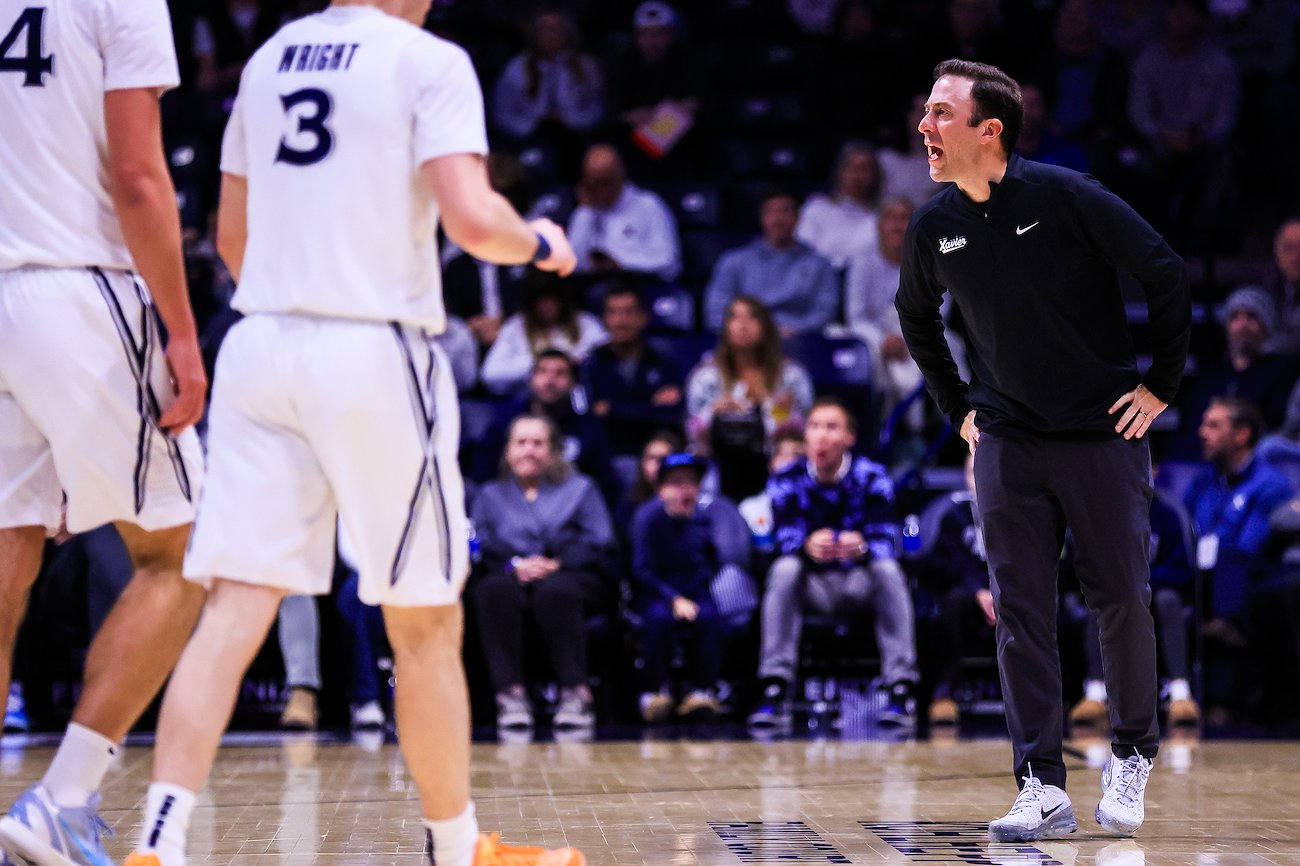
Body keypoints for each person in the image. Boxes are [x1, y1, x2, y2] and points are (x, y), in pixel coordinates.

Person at [118, 3, 585, 866]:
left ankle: (157, 840)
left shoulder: (266, 60)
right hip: (373, 346)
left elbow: (230, 239)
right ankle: (455, 847)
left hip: (261, 344)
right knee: (423, 619)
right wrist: (542, 243)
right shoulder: (427, 61)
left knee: (234, 606)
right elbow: (474, 223)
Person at [896, 60, 1191, 841]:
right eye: (925, 113)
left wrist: (1161, 383)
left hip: (1103, 433)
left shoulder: (1065, 196)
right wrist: (959, 408)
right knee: (1018, 611)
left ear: (988, 129)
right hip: (1007, 439)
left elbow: (1165, 273)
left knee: (1121, 598)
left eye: (939, 114)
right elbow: (917, 322)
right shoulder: (934, 226)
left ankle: (1131, 750)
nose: (924, 127)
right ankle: (1040, 783)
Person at [0, 0, 211, 863]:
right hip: (77, 289)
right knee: (186, 553)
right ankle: (64, 797)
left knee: (6, 563)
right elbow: (138, 176)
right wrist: (185, 330)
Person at [747, 398, 919, 731]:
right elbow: (778, 537)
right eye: (814, 427)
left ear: (849, 438)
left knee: (888, 569)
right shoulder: (787, 478)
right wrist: (806, 544)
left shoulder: (873, 477)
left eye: (831, 427)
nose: (821, 436)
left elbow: (889, 538)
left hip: (859, 581)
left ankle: (901, 688)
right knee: (784, 569)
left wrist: (863, 544)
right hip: (812, 586)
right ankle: (775, 687)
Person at [470, 415, 615, 732]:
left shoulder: (580, 488)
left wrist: (557, 563)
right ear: (508, 451)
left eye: (538, 443)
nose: (529, 450)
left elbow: (600, 539)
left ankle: (575, 693)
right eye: (521, 443)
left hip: (571, 572)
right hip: (511, 571)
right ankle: (510, 695)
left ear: (552, 451)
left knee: (556, 591)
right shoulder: (489, 495)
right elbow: (480, 543)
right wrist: (515, 564)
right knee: (492, 590)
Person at [1183, 397, 1293, 721]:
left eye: (1214, 425)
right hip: (1198, 577)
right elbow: (1186, 533)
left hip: (1245, 577)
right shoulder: (1204, 480)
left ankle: (1223, 703)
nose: (1202, 433)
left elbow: (1249, 546)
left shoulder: (1269, 483)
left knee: (1232, 566)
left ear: (1242, 434)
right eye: (1203, 424)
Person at [629, 453, 754, 722]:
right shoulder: (647, 519)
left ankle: (702, 689)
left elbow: (712, 563)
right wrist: (673, 599)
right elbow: (642, 569)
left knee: (711, 619)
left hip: (696, 592)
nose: (685, 490)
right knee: (657, 621)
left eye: (691, 483)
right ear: (661, 489)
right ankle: (655, 690)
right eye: (676, 483)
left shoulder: (704, 521)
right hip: (657, 592)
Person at [686, 296, 814, 502]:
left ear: (766, 326)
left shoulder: (791, 376)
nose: (743, 325)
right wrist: (715, 414)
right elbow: (692, 432)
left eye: (752, 318)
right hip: (720, 460)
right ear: (726, 327)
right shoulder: (706, 376)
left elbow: (808, 430)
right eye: (735, 318)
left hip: (772, 459)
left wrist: (782, 415)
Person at [703, 190, 840, 337]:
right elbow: (716, 312)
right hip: (745, 341)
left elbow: (824, 312)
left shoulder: (819, 264)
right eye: (772, 212)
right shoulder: (734, 261)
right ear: (762, 218)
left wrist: (795, 330)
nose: (779, 219)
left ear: (798, 217)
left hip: (800, 339)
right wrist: (751, 331)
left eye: (786, 211)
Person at [583, 282, 684, 455]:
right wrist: (648, 405)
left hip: (652, 451)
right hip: (607, 452)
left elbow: (670, 414)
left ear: (644, 317)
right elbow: (590, 415)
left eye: (628, 313)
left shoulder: (663, 362)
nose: (621, 322)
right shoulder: (591, 363)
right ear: (604, 319)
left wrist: (613, 408)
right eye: (613, 313)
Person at [565, 144, 682, 282]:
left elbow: (669, 264)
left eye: (606, 181)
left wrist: (620, 264)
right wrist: (587, 212)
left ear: (621, 173)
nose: (601, 189)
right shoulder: (584, 213)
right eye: (595, 183)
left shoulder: (648, 205)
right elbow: (572, 265)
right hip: (595, 288)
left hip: (640, 286)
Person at [480, 272, 607, 395]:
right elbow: (490, 374)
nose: (547, 306)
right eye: (541, 301)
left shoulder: (588, 325)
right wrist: (538, 364)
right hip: (528, 401)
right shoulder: (515, 326)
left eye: (553, 300)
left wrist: (576, 365)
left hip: (577, 397)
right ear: (532, 303)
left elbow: (607, 364)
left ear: (563, 301)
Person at [794, 142, 882, 269]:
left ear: (875, 175)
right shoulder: (816, 208)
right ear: (839, 172)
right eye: (851, 167)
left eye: (864, 168)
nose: (857, 175)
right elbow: (802, 250)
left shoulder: (881, 217)